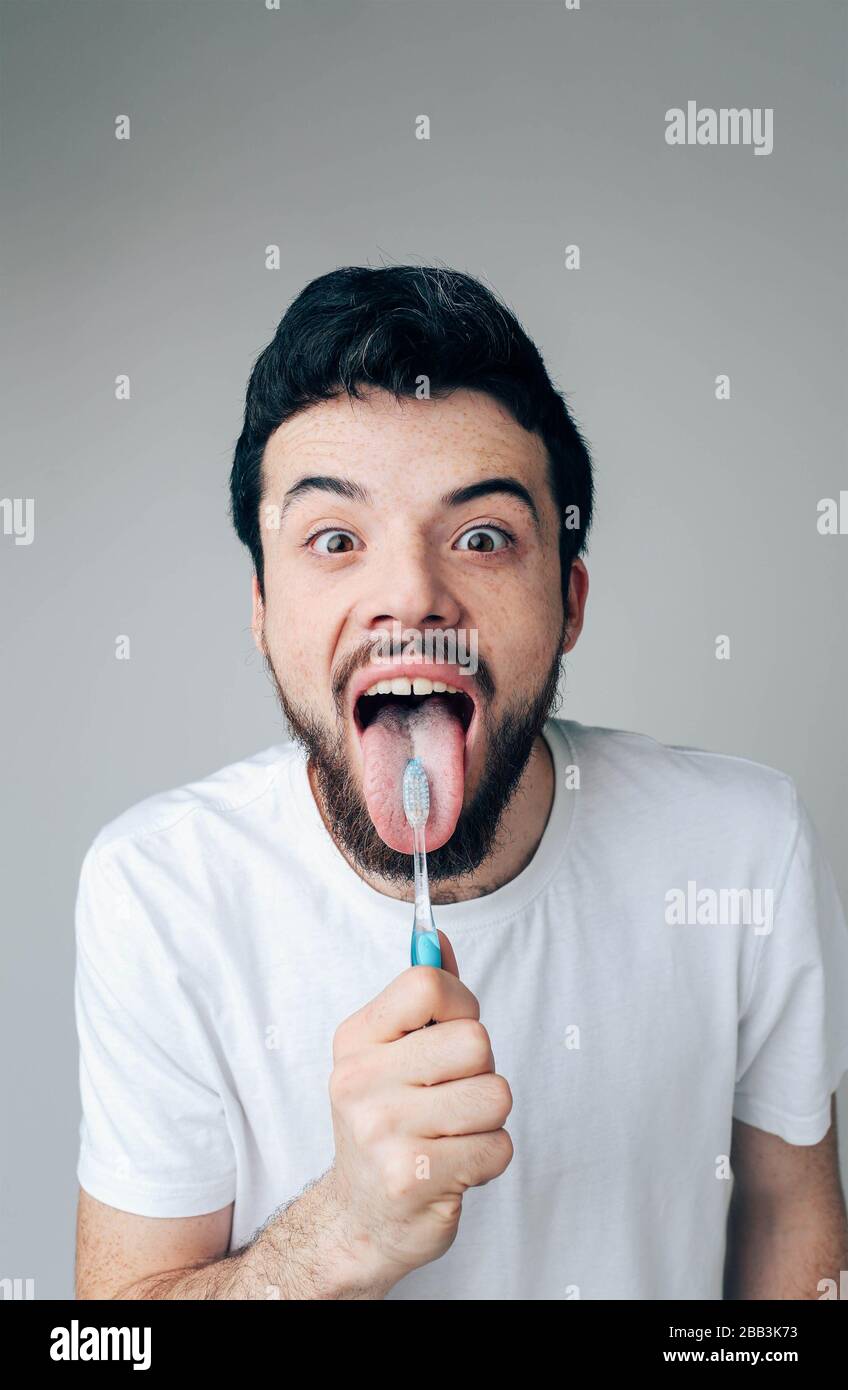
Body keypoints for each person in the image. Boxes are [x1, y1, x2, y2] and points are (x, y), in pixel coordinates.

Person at [74, 265, 848, 1300]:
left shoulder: (742, 848)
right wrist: (343, 1231)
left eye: (481, 536)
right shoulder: (159, 889)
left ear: (567, 599)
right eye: (335, 539)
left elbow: (788, 1216)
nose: (408, 593)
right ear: (262, 606)